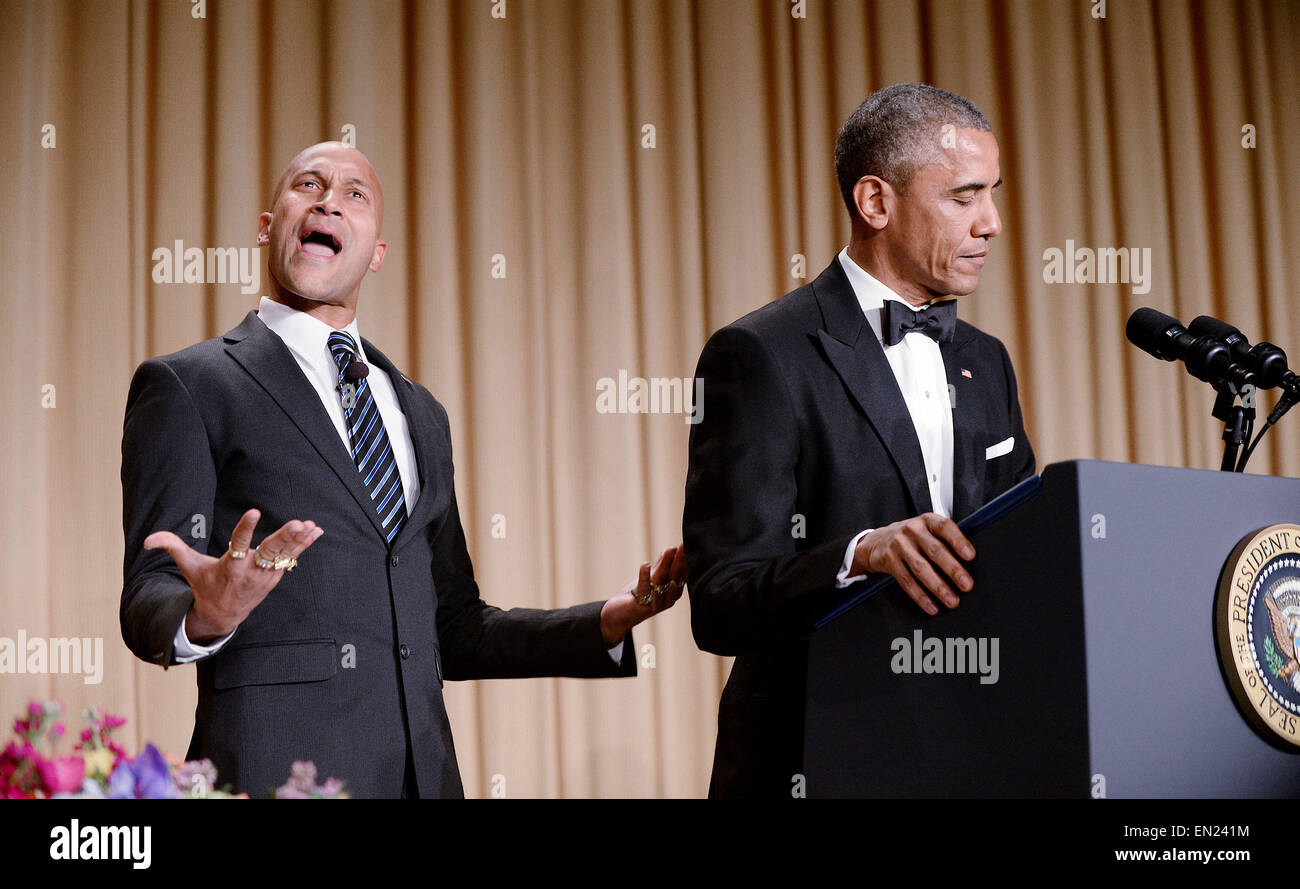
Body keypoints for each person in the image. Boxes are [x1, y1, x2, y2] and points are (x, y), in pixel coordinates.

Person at [120, 141, 686, 798]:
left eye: (354, 193)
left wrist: (602, 622)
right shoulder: (191, 384)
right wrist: (207, 615)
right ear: (268, 226)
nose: (329, 198)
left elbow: (455, 625)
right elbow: (148, 596)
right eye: (308, 184)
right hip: (276, 776)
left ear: (375, 252)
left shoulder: (421, 411)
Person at [682, 83, 1036, 798]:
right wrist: (855, 554)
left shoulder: (987, 358)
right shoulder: (760, 353)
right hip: (817, 755)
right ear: (876, 203)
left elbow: (1017, 559)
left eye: (993, 193)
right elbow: (721, 598)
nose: (993, 222)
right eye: (965, 197)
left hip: (972, 754)